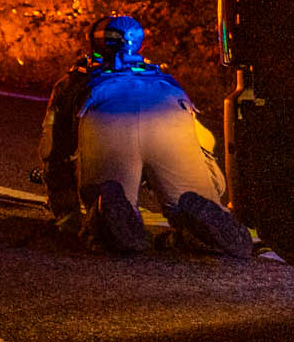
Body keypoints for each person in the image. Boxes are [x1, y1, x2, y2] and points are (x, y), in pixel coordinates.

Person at [40, 14, 252, 258]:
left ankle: (107, 222)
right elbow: (205, 141)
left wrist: (66, 214)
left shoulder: (76, 78)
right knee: (190, 198)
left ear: (96, 42)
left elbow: (53, 149)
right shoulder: (160, 77)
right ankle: (197, 213)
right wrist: (213, 186)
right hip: (169, 114)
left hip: (108, 115)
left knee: (110, 198)